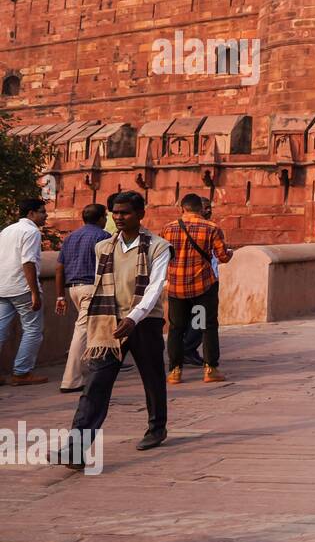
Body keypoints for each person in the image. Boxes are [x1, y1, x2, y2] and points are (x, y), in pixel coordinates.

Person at [63, 191, 172, 466]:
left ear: (140, 215)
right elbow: (102, 283)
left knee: (152, 377)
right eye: (115, 212)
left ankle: (157, 427)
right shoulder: (103, 247)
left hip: (144, 322)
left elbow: (155, 287)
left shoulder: (158, 246)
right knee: (96, 384)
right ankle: (76, 448)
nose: (119, 217)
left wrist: (134, 318)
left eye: (125, 212)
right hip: (108, 323)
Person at [161, 193, 233, 384]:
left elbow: (162, 256)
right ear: (200, 209)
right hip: (202, 287)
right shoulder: (211, 228)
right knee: (205, 326)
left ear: (182, 208)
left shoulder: (168, 229)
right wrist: (230, 253)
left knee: (176, 328)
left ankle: (175, 372)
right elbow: (223, 257)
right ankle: (210, 369)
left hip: (177, 287)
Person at [54, 203, 111, 392]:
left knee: (93, 329)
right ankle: (71, 380)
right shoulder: (103, 236)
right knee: (83, 331)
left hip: (73, 289)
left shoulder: (70, 237)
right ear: (101, 218)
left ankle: (93, 368)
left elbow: (59, 268)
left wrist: (60, 296)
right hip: (92, 289)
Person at [0, 198, 49, 386]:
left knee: (1, 330)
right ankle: (21, 373)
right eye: (43, 212)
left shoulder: (6, 231)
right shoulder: (31, 232)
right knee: (33, 330)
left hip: (3, 287)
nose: (46, 216)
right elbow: (28, 262)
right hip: (21, 288)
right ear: (31, 213)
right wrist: (34, 292)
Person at [181, 197, 218, 366]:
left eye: (210, 207)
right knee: (199, 317)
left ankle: (185, 351)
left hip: (184, 281)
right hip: (201, 283)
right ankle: (187, 350)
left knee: (191, 318)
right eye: (205, 208)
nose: (208, 211)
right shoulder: (210, 229)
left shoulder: (173, 228)